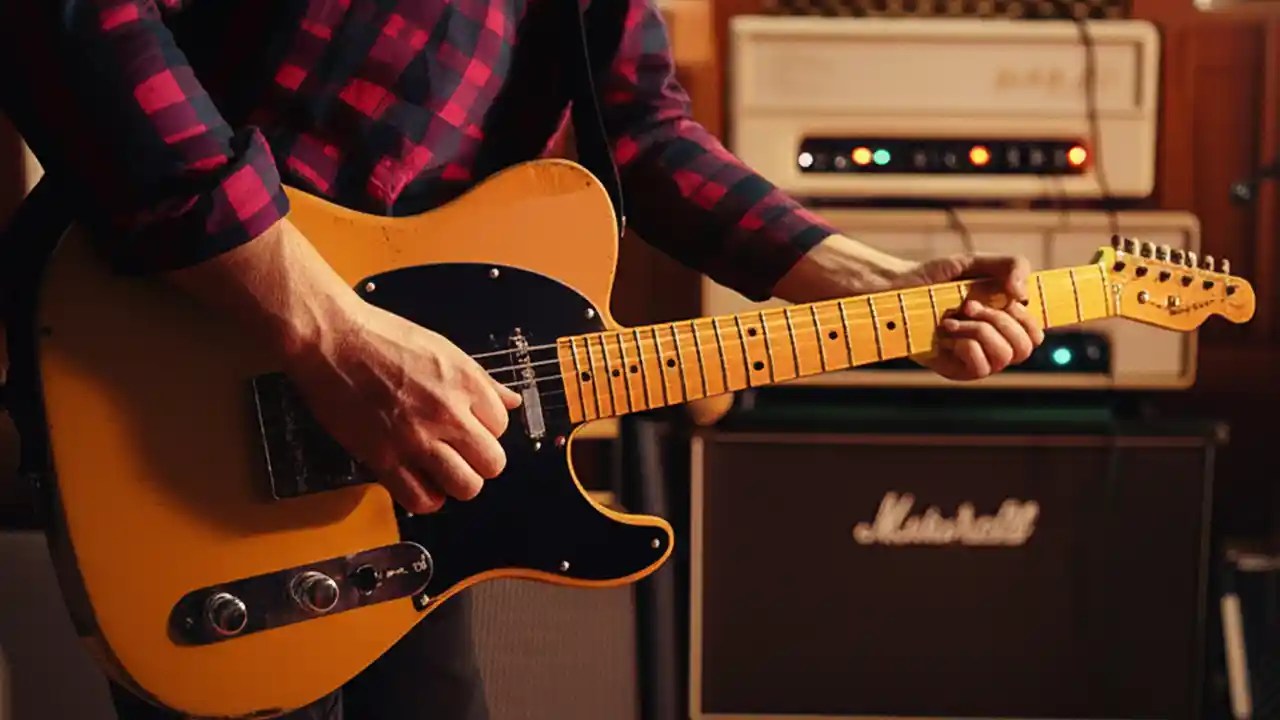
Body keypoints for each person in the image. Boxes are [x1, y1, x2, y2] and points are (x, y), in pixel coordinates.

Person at [0, 1, 1044, 718]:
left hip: (403, 444)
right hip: (185, 353)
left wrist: (860, 278)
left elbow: (630, 122)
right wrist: (325, 330)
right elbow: (80, 31)